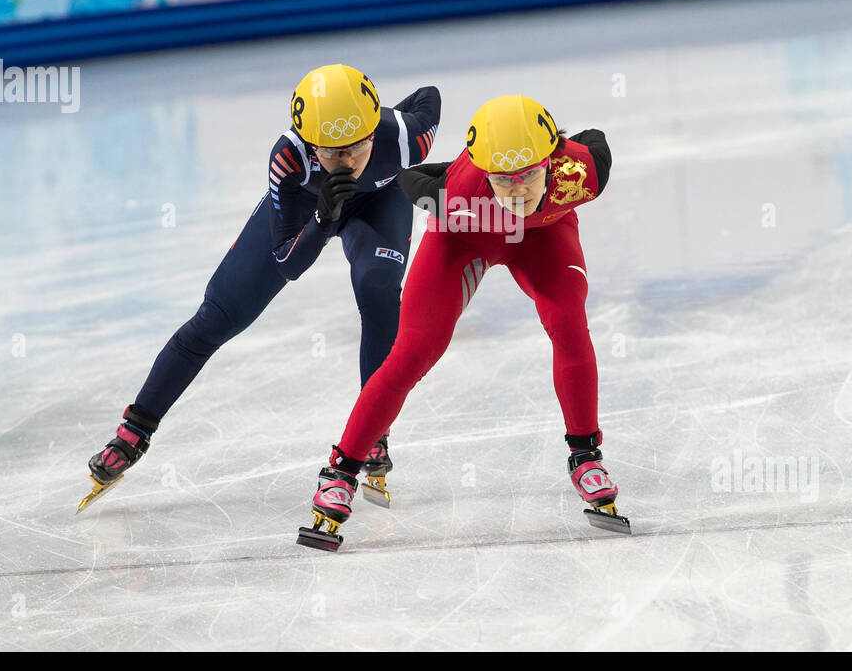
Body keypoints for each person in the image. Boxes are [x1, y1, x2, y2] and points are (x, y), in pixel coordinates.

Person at [79, 64, 440, 510]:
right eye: (332, 152)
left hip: (380, 201)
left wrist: (381, 123)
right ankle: (134, 430)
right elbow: (288, 264)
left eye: (358, 144)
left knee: (379, 288)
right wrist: (323, 218)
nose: (346, 161)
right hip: (308, 209)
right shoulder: (289, 158)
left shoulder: (406, 138)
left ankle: (373, 433)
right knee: (218, 316)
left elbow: (429, 95)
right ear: (309, 143)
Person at [297, 94, 623, 550]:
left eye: (528, 174)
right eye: (502, 179)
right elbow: (407, 179)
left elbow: (596, 142)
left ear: (552, 159)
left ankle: (586, 456)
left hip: (545, 237)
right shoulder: (454, 191)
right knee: (414, 351)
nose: (516, 191)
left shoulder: (583, 173)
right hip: (463, 242)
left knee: (569, 321)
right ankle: (341, 470)